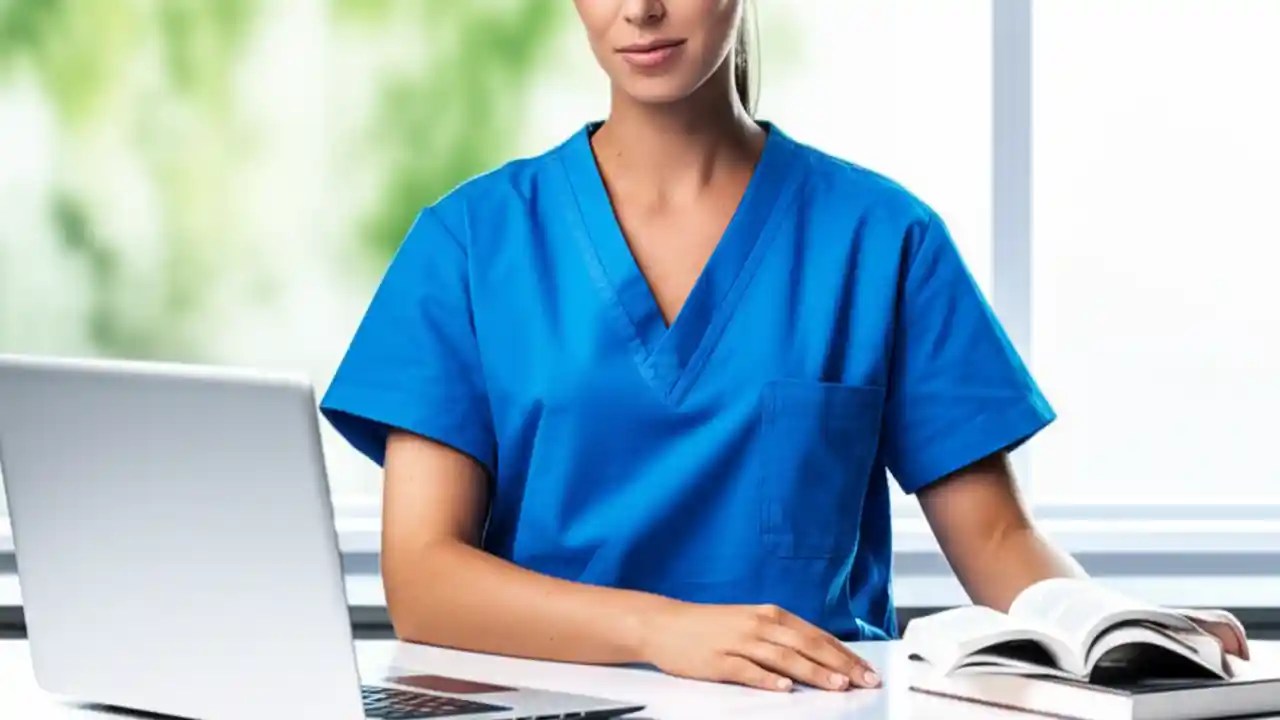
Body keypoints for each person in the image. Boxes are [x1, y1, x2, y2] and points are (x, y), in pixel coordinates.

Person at [320, 0, 1246, 693]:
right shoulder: (473, 240)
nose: (638, 9)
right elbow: (424, 580)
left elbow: (997, 538)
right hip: (551, 702)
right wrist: (661, 630)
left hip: (811, 706)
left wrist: (1117, 629)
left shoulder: (881, 236)